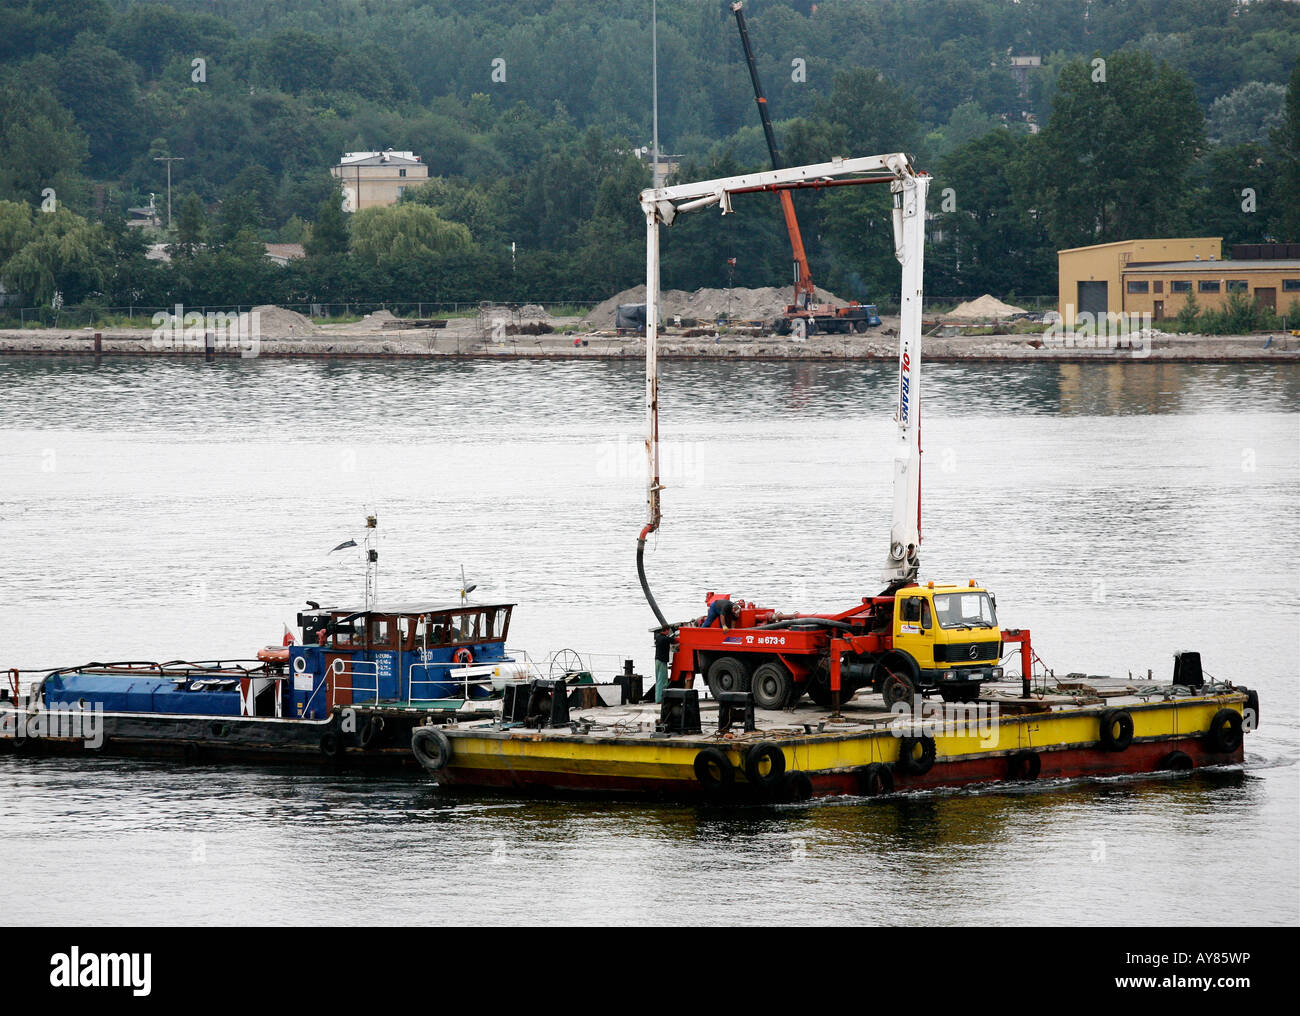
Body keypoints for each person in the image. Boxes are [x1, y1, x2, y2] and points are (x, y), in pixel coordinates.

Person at [654, 628, 672, 703]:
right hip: (662, 661)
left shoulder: (657, 637)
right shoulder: (665, 639)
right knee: (662, 680)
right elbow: (674, 641)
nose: (669, 632)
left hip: (657, 660)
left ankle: (657, 698)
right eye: (668, 631)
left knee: (658, 680)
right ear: (666, 630)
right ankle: (659, 699)